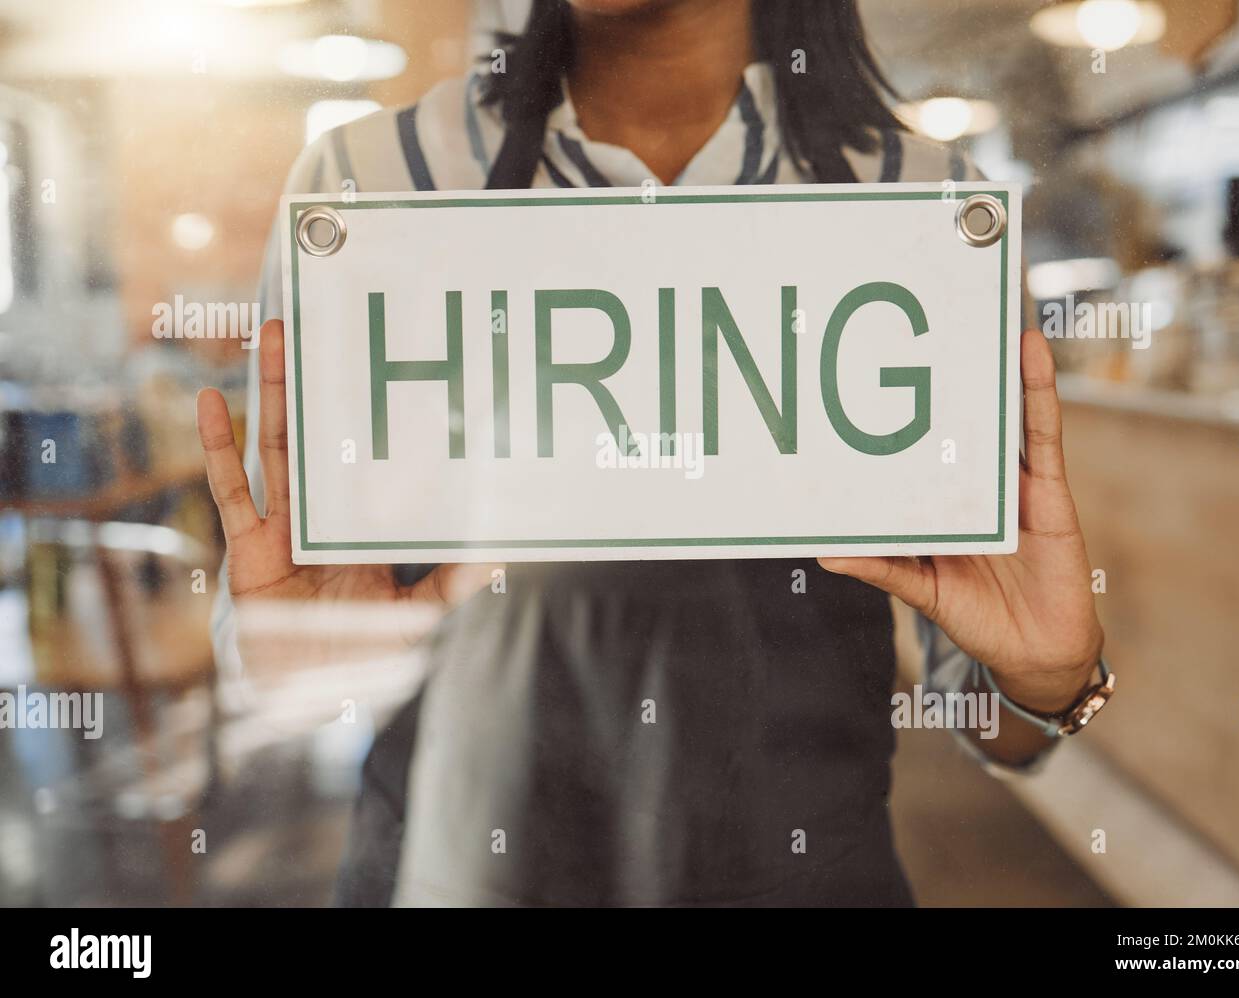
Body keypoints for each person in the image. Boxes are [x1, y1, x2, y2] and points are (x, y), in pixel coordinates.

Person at [201, 0, 1106, 906]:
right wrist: (301, 664)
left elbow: (990, 717)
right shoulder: (365, 185)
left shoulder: (930, 206)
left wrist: (1053, 682)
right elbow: (312, 650)